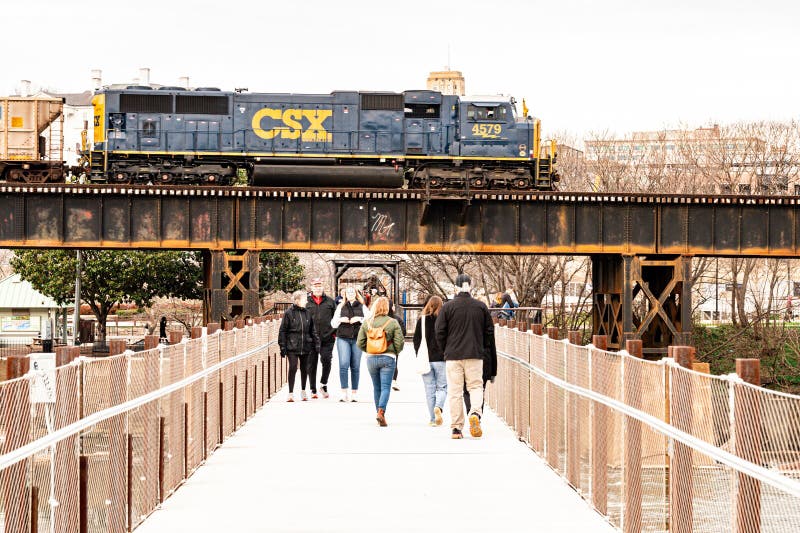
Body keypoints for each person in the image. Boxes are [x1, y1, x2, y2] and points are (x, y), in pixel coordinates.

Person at [435, 273, 493, 439]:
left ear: (456, 287)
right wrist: (482, 346)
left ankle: (456, 428)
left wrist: (445, 349)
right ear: (470, 286)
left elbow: (439, 331)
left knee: (455, 391)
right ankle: (475, 413)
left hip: (453, 355)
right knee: (475, 387)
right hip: (474, 354)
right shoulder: (481, 307)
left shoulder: (448, 307)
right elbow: (489, 331)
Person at [357, 297, 404, 426]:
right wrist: (394, 351)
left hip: (371, 358)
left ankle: (378, 413)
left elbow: (359, 342)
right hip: (388, 358)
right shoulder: (393, 322)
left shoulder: (367, 322)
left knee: (376, 388)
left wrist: (368, 350)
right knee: (385, 387)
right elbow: (399, 343)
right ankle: (381, 412)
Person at [278, 290, 320, 402]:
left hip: (306, 344)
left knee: (304, 368)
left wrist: (316, 343)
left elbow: (313, 329)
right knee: (293, 367)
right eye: (304, 299)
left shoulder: (307, 313)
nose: (306, 301)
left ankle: (303, 390)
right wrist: (282, 346)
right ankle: (290, 393)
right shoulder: (289, 313)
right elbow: (283, 330)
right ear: (297, 300)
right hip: (292, 344)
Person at [331, 287, 370, 402]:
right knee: (344, 364)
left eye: (353, 292)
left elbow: (370, 320)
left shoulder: (362, 306)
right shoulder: (340, 306)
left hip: (357, 338)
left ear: (356, 294)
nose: (351, 293)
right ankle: (344, 392)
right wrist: (340, 320)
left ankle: (354, 393)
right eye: (348, 292)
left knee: (355, 366)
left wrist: (360, 318)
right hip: (343, 338)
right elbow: (333, 324)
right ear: (345, 295)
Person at [413, 296, 447, 426]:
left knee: (429, 390)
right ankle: (439, 406)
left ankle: (433, 419)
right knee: (442, 387)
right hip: (441, 359)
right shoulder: (444, 320)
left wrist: (419, 354)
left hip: (426, 359)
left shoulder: (421, 320)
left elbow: (416, 340)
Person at [306, 278, 337, 399]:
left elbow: (336, 318)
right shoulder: (306, 302)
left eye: (320, 286)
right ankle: (313, 389)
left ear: (323, 287)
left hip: (327, 338)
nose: (318, 288)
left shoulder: (330, 302)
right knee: (311, 364)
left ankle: (323, 384)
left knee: (326, 360)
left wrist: (334, 333)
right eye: (315, 286)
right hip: (311, 339)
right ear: (312, 287)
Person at [388, 300, 406, 391]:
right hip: (394, 345)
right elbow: (404, 332)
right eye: (393, 305)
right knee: (394, 362)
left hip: (380, 345)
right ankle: (394, 381)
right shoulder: (397, 319)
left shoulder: (378, 318)